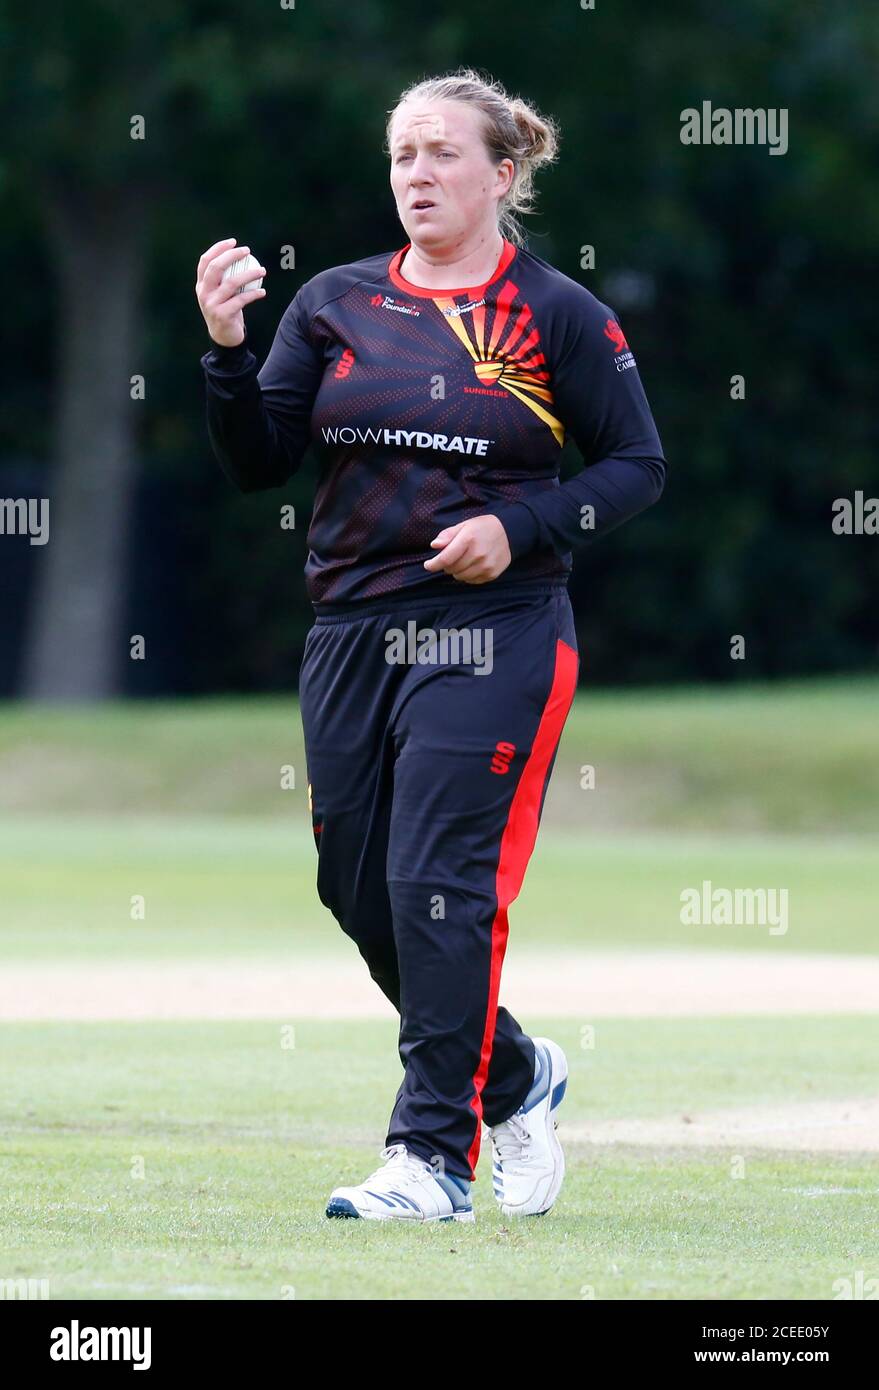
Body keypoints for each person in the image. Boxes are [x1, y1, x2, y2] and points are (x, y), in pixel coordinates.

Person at [196, 67, 666, 1224]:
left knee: (437, 888)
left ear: (503, 174)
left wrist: (519, 526)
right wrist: (223, 349)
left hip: (496, 634)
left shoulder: (559, 312)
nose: (417, 174)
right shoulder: (335, 304)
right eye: (403, 154)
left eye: (443, 154)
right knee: (359, 891)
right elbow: (259, 459)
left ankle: (431, 1161)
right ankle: (518, 1076)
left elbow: (636, 469)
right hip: (354, 631)